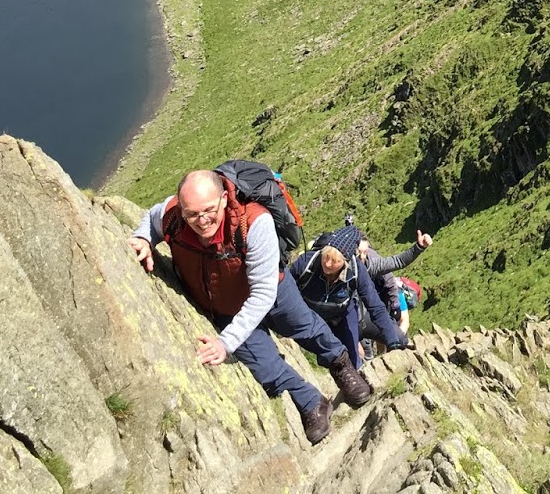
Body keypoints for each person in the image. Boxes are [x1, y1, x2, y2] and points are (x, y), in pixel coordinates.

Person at [129, 169, 371, 445]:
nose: (201, 220)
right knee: (265, 367)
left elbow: (263, 293)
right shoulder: (174, 215)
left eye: (208, 210)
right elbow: (152, 218)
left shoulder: (254, 222)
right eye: (192, 214)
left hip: (273, 291)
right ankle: (311, 402)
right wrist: (144, 238)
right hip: (226, 305)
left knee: (305, 328)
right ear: (182, 208)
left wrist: (226, 342)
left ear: (223, 198)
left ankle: (343, 369)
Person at [290, 222, 432, 365]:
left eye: (366, 252)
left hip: (358, 316)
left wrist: (393, 340)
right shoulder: (309, 264)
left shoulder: (364, 267)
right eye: (360, 252)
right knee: (347, 359)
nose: (328, 264)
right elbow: (286, 289)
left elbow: (376, 304)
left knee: (398, 340)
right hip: (330, 318)